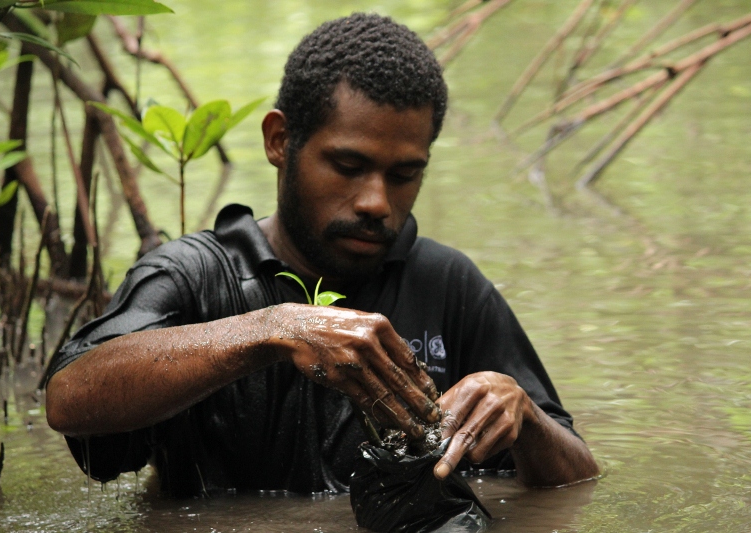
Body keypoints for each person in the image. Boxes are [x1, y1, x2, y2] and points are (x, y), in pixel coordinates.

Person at [46, 13, 598, 497]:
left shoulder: (447, 284)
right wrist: (272, 330)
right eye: (349, 167)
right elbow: (68, 397)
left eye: (404, 175)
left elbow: (578, 477)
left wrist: (523, 416)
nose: (376, 202)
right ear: (280, 141)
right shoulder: (196, 274)